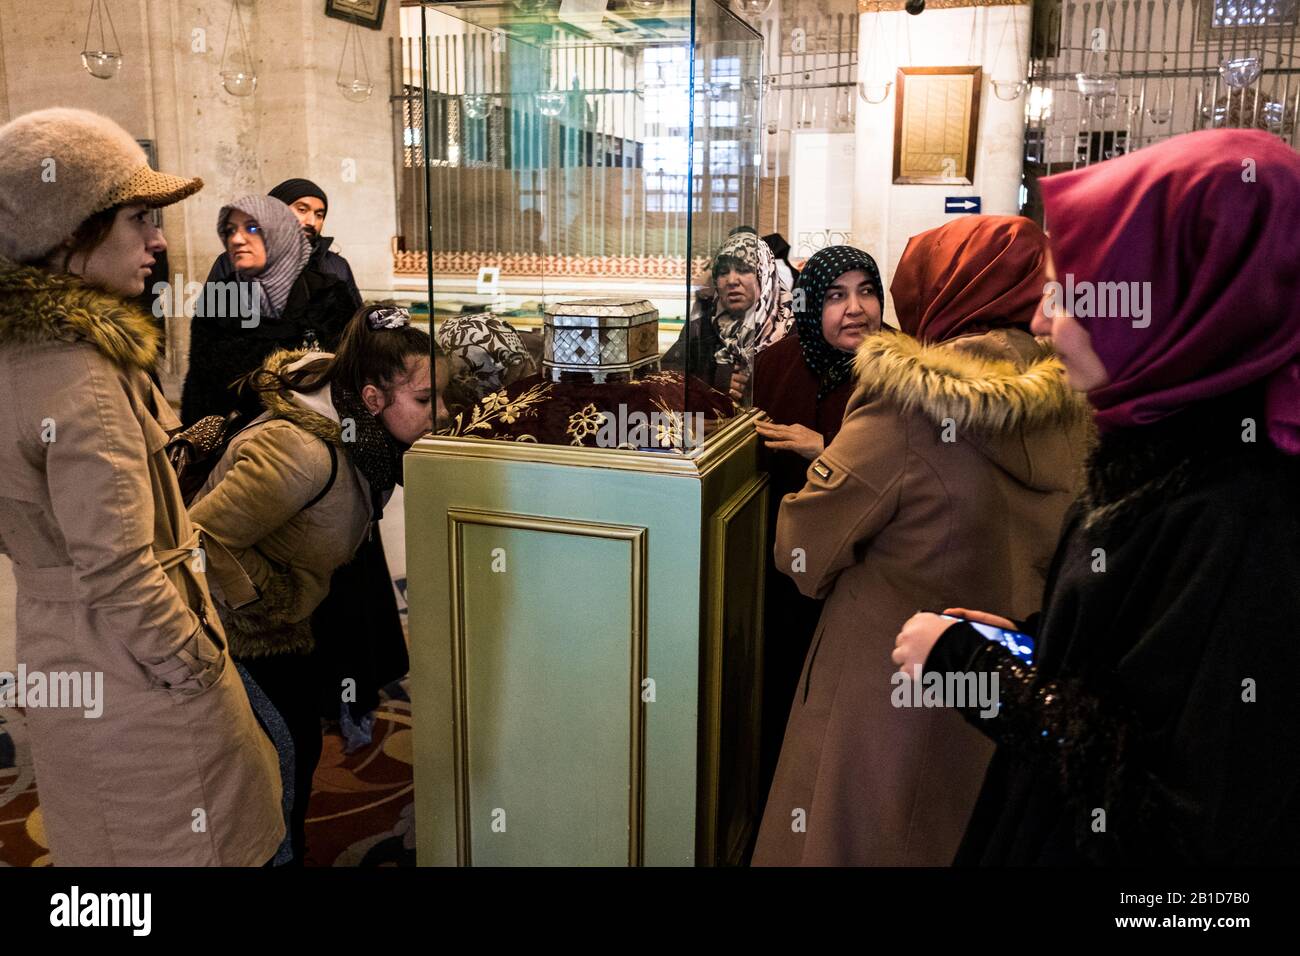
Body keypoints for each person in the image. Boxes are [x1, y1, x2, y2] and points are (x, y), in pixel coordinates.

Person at [893, 129, 1300, 866]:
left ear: (1176, 302)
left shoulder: (1243, 511)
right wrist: (1036, 642)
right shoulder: (1169, 443)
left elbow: (1176, 819)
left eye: (1068, 293)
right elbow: (1144, 660)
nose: (1042, 321)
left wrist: (971, 668)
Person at [753, 215, 1092, 866]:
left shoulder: (906, 403)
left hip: (885, 689)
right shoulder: (1077, 398)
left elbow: (803, 551)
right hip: (1000, 686)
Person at [0, 107, 283, 866]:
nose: (159, 239)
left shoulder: (21, 355)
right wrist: (195, 666)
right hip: (140, 687)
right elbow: (122, 567)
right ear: (69, 230)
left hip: (67, 660)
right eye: (138, 218)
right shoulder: (82, 375)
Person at [189, 303, 433, 864]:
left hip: (289, 622)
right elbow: (199, 538)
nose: (436, 413)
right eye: (424, 400)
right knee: (278, 755)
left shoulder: (367, 443)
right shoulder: (299, 453)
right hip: (242, 632)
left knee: (290, 749)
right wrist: (270, 599)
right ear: (372, 399)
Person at [749, 245, 884, 813]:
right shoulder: (777, 362)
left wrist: (821, 449)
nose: (856, 309)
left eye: (867, 291)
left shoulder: (899, 373)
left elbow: (908, 479)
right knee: (780, 696)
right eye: (835, 295)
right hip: (781, 566)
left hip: (862, 573)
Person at [180, 194, 356, 425]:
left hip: (315, 428)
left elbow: (349, 369)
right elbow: (201, 385)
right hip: (240, 434)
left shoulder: (330, 291)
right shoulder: (221, 294)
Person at [663, 231, 794, 403]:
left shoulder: (791, 332)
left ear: (764, 273)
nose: (732, 280)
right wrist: (715, 383)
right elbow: (665, 379)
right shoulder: (701, 329)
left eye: (744, 269)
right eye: (723, 272)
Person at [204, 178, 362, 308]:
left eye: (319, 214)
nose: (312, 221)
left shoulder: (338, 267)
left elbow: (355, 330)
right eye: (302, 210)